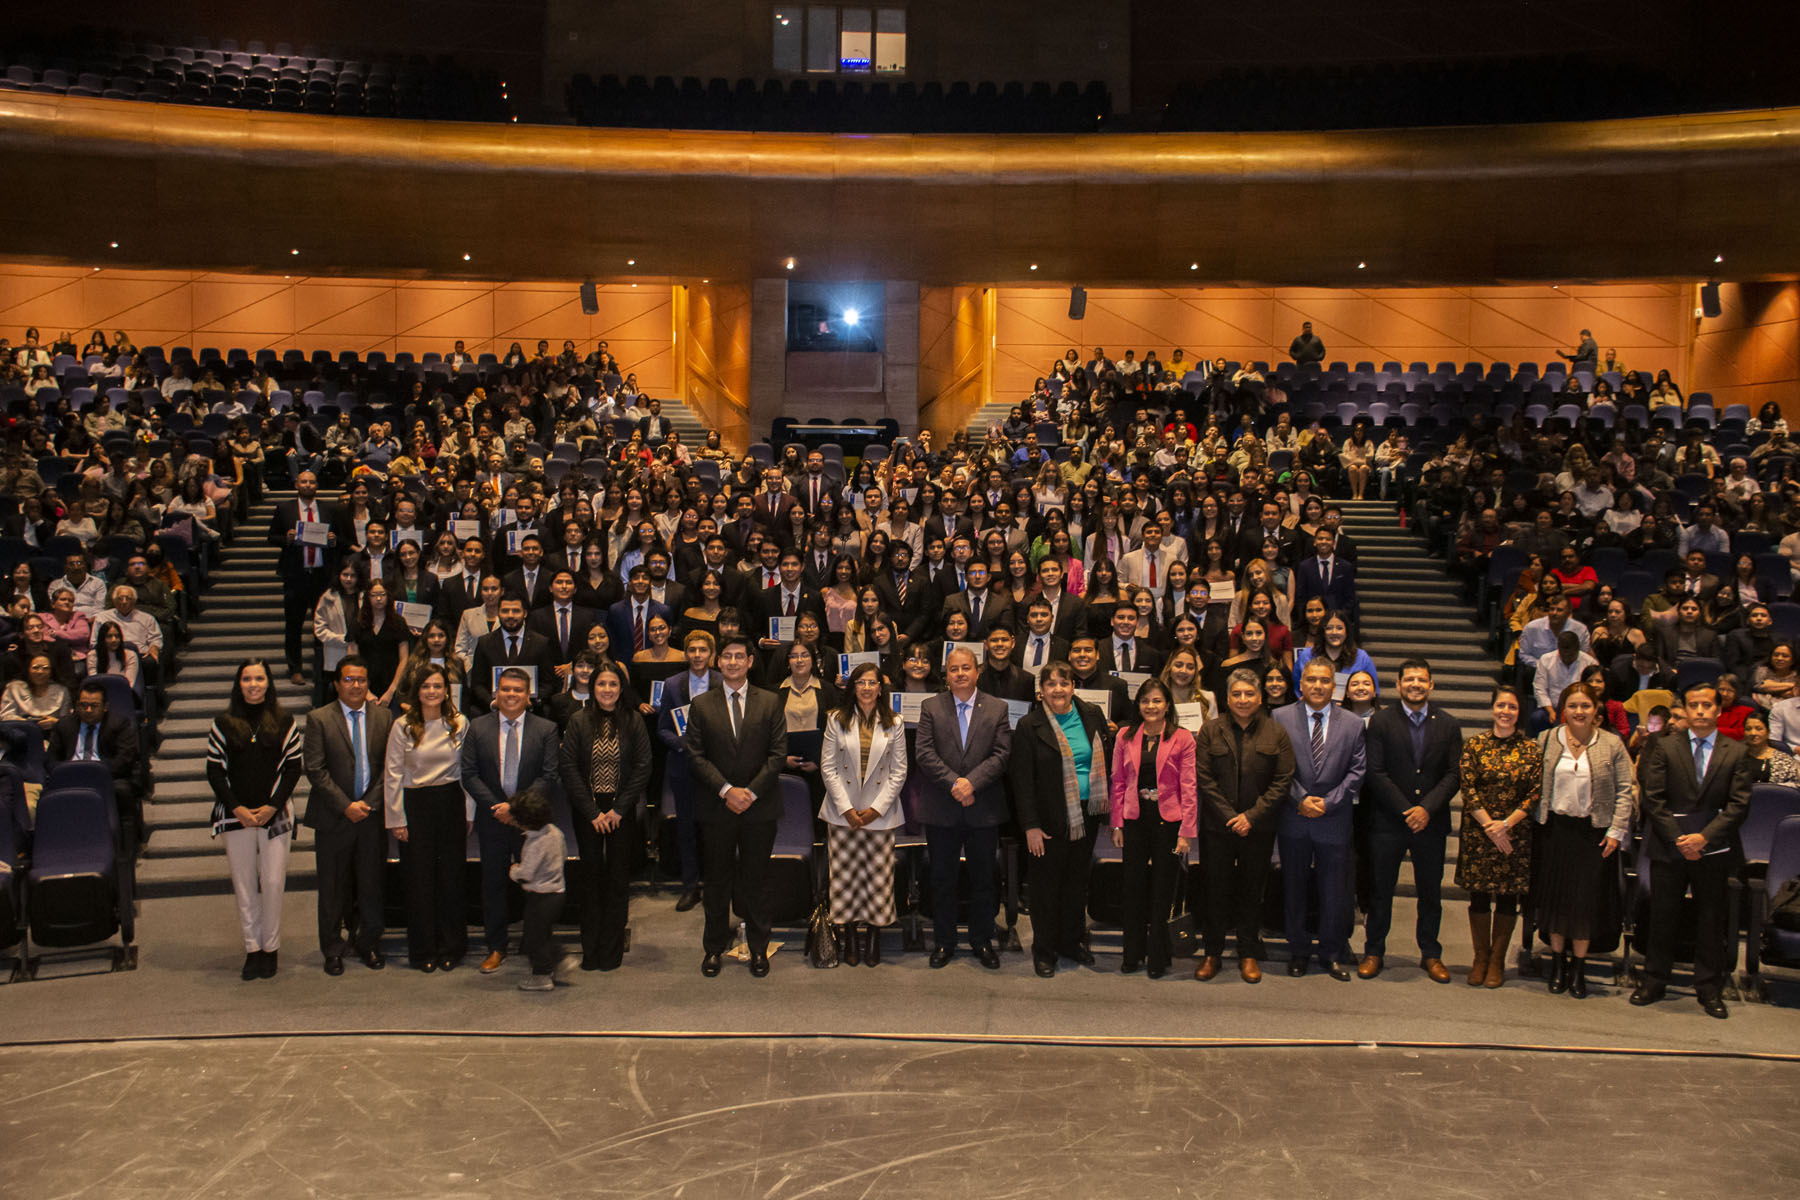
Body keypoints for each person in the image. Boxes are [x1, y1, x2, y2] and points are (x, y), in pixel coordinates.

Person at [1632, 682, 1755, 1018]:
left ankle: (1709, 987)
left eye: (1707, 705)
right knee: (1662, 916)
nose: (1700, 710)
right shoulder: (1664, 746)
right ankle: (1654, 980)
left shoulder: (1736, 751)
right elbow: (1653, 798)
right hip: (1669, 846)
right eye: (1693, 705)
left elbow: (1739, 805)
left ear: (1718, 710)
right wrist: (1680, 839)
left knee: (1711, 920)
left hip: (1714, 849)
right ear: (1685, 710)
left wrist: (1703, 838)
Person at [683, 634, 788, 978]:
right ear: (718, 661)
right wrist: (727, 790)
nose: (732, 662)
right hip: (717, 808)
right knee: (716, 882)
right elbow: (695, 756)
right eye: (726, 656)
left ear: (750, 662)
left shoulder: (770, 702)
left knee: (757, 881)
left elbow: (777, 755)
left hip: (760, 807)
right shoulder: (701, 704)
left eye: (739, 656)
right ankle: (714, 948)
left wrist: (750, 793)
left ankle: (758, 948)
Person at [1361, 658, 1464, 982]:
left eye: (1421, 680)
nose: (1415, 685)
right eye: (1409, 680)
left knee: (1430, 893)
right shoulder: (1380, 722)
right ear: (1398, 684)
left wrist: (1426, 809)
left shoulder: (1448, 724)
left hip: (1430, 823)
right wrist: (1407, 809)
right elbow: (1375, 772)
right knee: (1380, 892)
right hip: (1388, 822)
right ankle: (1374, 951)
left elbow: (1453, 774)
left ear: (1431, 684)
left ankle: (1431, 954)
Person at [913, 646, 1014, 969]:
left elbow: (1001, 754)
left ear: (977, 671)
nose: (960, 674)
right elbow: (924, 753)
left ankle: (981, 940)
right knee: (942, 879)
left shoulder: (997, 707)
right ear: (947, 674)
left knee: (983, 879)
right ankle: (944, 942)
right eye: (954, 669)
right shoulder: (931, 706)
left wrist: (972, 783)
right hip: (942, 808)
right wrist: (955, 784)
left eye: (966, 668)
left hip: (983, 807)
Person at [1534, 683, 1637, 1000]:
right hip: (1555, 832)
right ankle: (1557, 963)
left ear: (1596, 710)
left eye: (1585, 706)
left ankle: (1579, 967)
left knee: (1584, 904)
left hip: (1595, 835)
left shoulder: (1612, 743)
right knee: (1556, 901)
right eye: (1573, 706)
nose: (1579, 711)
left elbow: (1626, 790)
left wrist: (1616, 831)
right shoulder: (1547, 739)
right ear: (1563, 709)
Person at [1194, 667, 1295, 980]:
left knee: (1252, 892)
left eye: (1249, 693)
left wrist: (1250, 816)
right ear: (1227, 698)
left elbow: (1283, 779)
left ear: (1260, 698)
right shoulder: (1210, 730)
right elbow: (1204, 778)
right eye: (1236, 694)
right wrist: (1230, 816)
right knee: (1215, 890)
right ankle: (1212, 953)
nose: (1242, 699)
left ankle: (1248, 952)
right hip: (1218, 827)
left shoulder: (1276, 732)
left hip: (1258, 827)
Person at [206, 660, 304, 981]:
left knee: (273, 883)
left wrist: (272, 807)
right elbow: (214, 771)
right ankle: (252, 948)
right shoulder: (223, 723)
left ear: (268, 683)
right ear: (239, 684)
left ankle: (270, 948)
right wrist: (236, 808)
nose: (253, 684)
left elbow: (294, 767)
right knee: (244, 884)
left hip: (275, 815)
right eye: (247, 679)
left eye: (259, 678)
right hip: (236, 817)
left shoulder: (285, 720)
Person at [461, 668, 563, 974]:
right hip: (492, 819)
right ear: (496, 692)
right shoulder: (477, 727)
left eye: (518, 690)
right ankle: (496, 946)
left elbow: (549, 775)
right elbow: (469, 773)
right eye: (505, 689)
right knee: (493, 884)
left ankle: (536, 946)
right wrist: (498, 808)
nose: (511, 695)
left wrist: (515, 809)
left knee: (535, 886)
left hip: (530, 823)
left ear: (528, 696)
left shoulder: (546, 729)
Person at [1011, 661, 1109, 977]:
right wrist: (1030, 826)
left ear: (1073, 686)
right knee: (1045, 887)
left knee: (1076, 884)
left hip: (1086, 816)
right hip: (1048, 820)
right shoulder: (1029, 726)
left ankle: (1071, 942)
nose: (1058, 689)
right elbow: (1022, 781)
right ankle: (1045, 950)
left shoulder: (1092, 714)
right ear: (1041, 691)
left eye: (1064, 683)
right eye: (1051, 684)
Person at [1273, 658, 1366, 983]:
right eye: (1311, 679)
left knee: (1334, 892)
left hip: (1334, 820)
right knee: (1294, 888)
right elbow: (1278, 766)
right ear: (1301, 684)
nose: (1317, 685)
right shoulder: (1280, 717)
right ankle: (1298, 951)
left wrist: (1327, 803)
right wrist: (1300, 798)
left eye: (1324, 680)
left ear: (1334, 686)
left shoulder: (1353, 724)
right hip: (1294, 817)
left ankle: (1331, 953)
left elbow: (1357, 771)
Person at [302, 657, 392, 975]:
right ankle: (332, 948)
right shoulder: (319, 718)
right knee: (332, 887)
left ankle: (368, 942)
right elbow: (315, 769)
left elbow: (390, 766)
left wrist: (368, 803)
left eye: (361, 680)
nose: (356, 685)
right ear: (337, 684)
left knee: (371, 884)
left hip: (371, 815)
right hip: (333, 817)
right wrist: (346, 806)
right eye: (349, 680)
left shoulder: (384, 717)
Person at [560, 661, 650, 971]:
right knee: (591, 878)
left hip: (621, 810)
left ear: (621, 688)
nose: (607, 689)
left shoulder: (634, 720)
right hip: (588, 811)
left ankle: (611, 950)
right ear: (592, 687)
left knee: (617, 879)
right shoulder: (578, 720)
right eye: (601, 684)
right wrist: (593, 812)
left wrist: (619, 809)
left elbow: (643, 767)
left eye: (613, 684)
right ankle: (591, 950)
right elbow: (568, 768)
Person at [818, 662, 908, 967]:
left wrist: (875, 810)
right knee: (845, 879)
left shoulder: (895, 722)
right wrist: (846, 809)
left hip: (879, 813)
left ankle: (873, 935)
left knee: (877, 879)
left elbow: (899, 771)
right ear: (853, 687)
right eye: (861, 682)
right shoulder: (836, 719)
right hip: (843, 812)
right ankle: (850, 936)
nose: (867, 688)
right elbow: (828, 767)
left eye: (872, 683)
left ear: (880, 688)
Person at [1108, 678, 1198, 979]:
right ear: (1138, 705)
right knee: (1132, 888)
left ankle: (1158, 956)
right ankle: (1132, 954)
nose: (1151, 706)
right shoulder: (1125, 736)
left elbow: (1189, 786)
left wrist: (1187, 831)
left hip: (1169, 822)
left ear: (1167, 705)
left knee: (1163, 890)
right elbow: (1118, 782)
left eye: (1157, 700)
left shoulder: (1183, 738)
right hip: (1134, 819)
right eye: (1145, 701)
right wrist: (1117, 823)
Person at [383, 663, 469, 973]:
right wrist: (396, 818)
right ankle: (423, 950)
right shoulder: (402, 726)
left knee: (451, 879)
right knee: (419, 881)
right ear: (417, 691)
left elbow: (466, 770)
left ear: (447, 691)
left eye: (437, 686)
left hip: (450, 801)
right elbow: (392, 773)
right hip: (415, 805)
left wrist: (470, 812)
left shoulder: (459, 723)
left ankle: (452, 947)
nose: (432, 691)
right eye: (426, 686)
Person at [1455, 687, 1542, 989]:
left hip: (1514, 834)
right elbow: (1468, 788)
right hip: (1479, 832)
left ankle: (1497, 961)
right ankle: (1480, 958)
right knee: (1479, 896)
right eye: (1501, 705)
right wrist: (1490, 827)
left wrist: (1505, 825)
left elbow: (1535, 793)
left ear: (1520, 712)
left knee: (1507, 897)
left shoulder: (1532, 749)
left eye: (1512, 707)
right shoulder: (1475, 744)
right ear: (1493, 708)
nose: (1506, 711)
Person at [657, 629, 721, 911]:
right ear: (685, 654)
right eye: (692, 650)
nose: (697, 655)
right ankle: (690, 886)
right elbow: (662, 729)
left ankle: (715, 886)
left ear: (712, 654)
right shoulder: (672, 685)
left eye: (702, 650)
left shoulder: (722, 681)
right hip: (682, 766)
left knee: (715, 830)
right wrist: (682, 743)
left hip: (716, 767)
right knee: (686, 829)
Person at [49, 680, 143, 846]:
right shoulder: (64, 725)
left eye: (94, 706)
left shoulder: (119, 724)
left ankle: (126, 847)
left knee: (122, 791)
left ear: (105, 707)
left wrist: (96, 775)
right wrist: (66, 773)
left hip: (107, 777)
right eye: (83, 705)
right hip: (71, 777)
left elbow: (125, 758)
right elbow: (50, 759)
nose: (88, 710)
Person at [271, 470, 341, 687]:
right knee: (294, 625)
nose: (308, 485)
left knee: (324, 624)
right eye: (304, 482)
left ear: (317, 485)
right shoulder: (285, 509)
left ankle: (323, 668)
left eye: (311, 482)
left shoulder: (329, 509)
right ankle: (295, 668)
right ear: (296, 484)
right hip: (296, 575)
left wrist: (334, 540)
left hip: (322, 575)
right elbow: (271, 537)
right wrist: (286, 538)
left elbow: (342, 538)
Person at [508, 784, 567, 992]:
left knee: (534, 938)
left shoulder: (535, 843)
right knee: (543, 933)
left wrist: (514, 870)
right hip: (557, 893)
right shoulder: (556, 833)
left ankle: (542, 976)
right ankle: (558, 959)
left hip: (540, 896)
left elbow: (527, 873)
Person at [0, 651, 68, 730]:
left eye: (45, 668)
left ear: (51, 671)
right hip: (19, 731)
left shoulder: (62, 691)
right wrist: (26, 724)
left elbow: (66, 721)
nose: (40, 672)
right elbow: (5, 716)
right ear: (28, 669)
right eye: (35, 667)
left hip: (52, 732)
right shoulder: (14, 687)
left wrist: (55, 722)